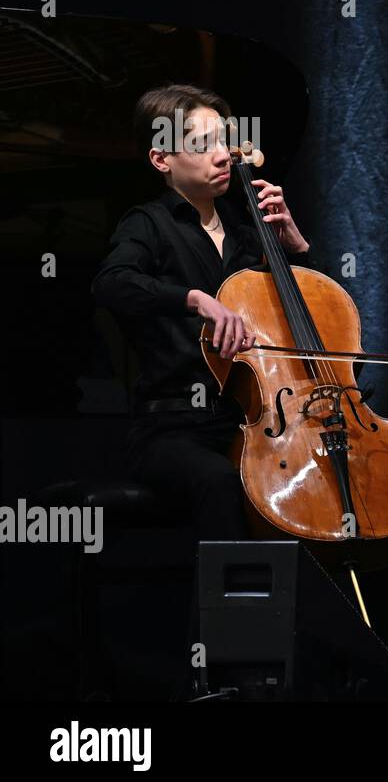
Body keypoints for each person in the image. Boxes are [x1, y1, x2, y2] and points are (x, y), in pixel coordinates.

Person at [92, 84, 319, 541]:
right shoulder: (147, 224)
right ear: (162, 160)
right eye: (202, 145)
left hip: (246, 425)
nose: (222, 156)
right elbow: (111, 283)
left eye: (224, 142)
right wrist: (194, 298)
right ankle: (221, 615)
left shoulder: (246, 231)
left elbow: (313, 317)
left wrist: (297, 249)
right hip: (171, 430)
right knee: (218, 479)